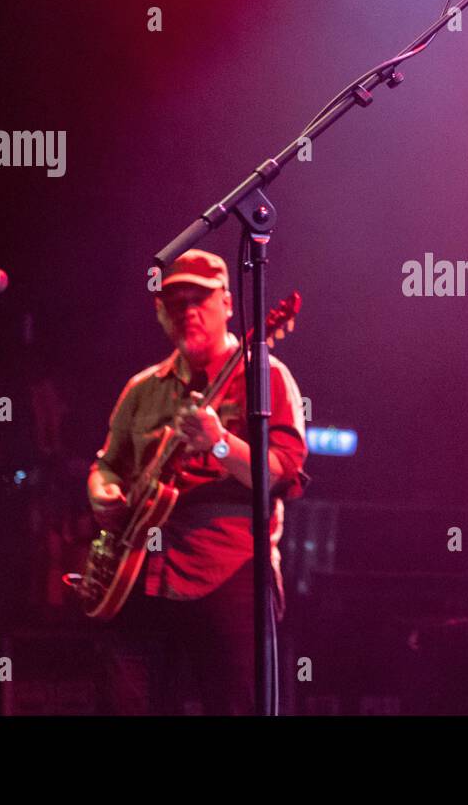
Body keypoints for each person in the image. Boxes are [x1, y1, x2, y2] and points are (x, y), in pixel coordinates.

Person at [87, 249, 308, 714]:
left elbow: (281, 474)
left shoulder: (266, 377)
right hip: (142, 577)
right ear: (159, 311)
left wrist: (219, 443)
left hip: (228, 572)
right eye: (176, 301)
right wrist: (101, 489)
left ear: (228, 303)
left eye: (200, 299)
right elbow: (107, 463)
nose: (187, 311)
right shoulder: (142, 387)